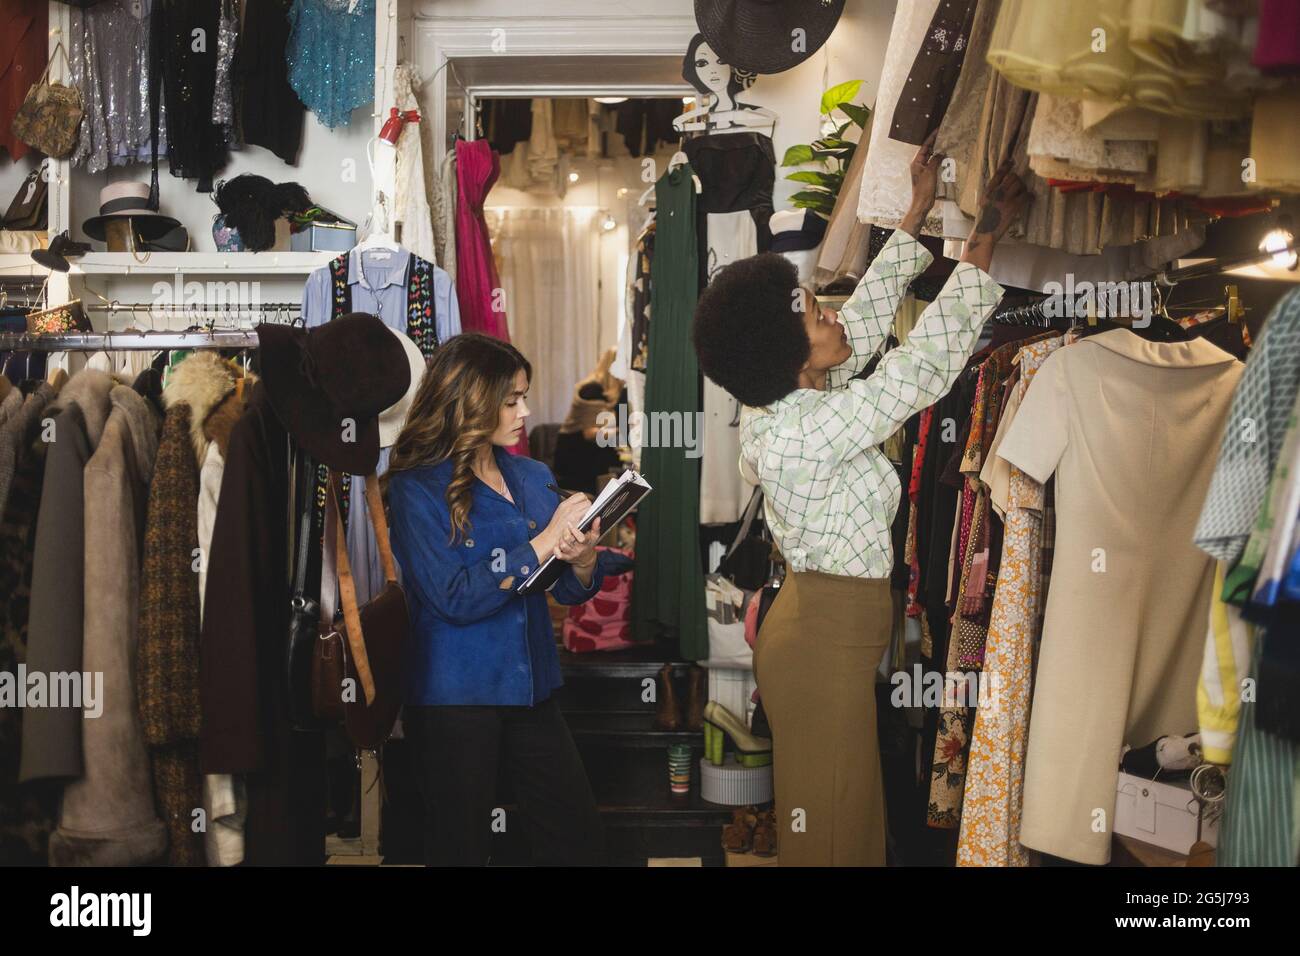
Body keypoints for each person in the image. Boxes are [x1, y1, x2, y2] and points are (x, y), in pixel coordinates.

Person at [692, 134, 1029, 866]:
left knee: (845, 816)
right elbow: (916, 375)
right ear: (790, 356)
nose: (833, 317)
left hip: (827, 636)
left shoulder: (801, 395)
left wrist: (912, 212)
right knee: (833, 833)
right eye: (817, 316)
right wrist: (983, 245)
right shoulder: (800, 430)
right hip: (819, 646)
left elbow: (869, 321)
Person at [386, 333, 614, 866]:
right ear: (470, 399)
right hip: (454, 698)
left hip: (532, 688)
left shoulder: (531, 474)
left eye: (524, 396)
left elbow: (566, 586)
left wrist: (581, 557)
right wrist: (540, 541)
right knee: (459, 847)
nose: (526, 411)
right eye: (511, 400)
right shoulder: (415, 487)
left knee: (575, 837)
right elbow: (453, 595)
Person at [553, 348, 623, 495]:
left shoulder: (604, 391)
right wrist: (622, 430)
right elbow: (590, 433)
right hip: (576, 460)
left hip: (586, 456)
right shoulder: (592, 390)